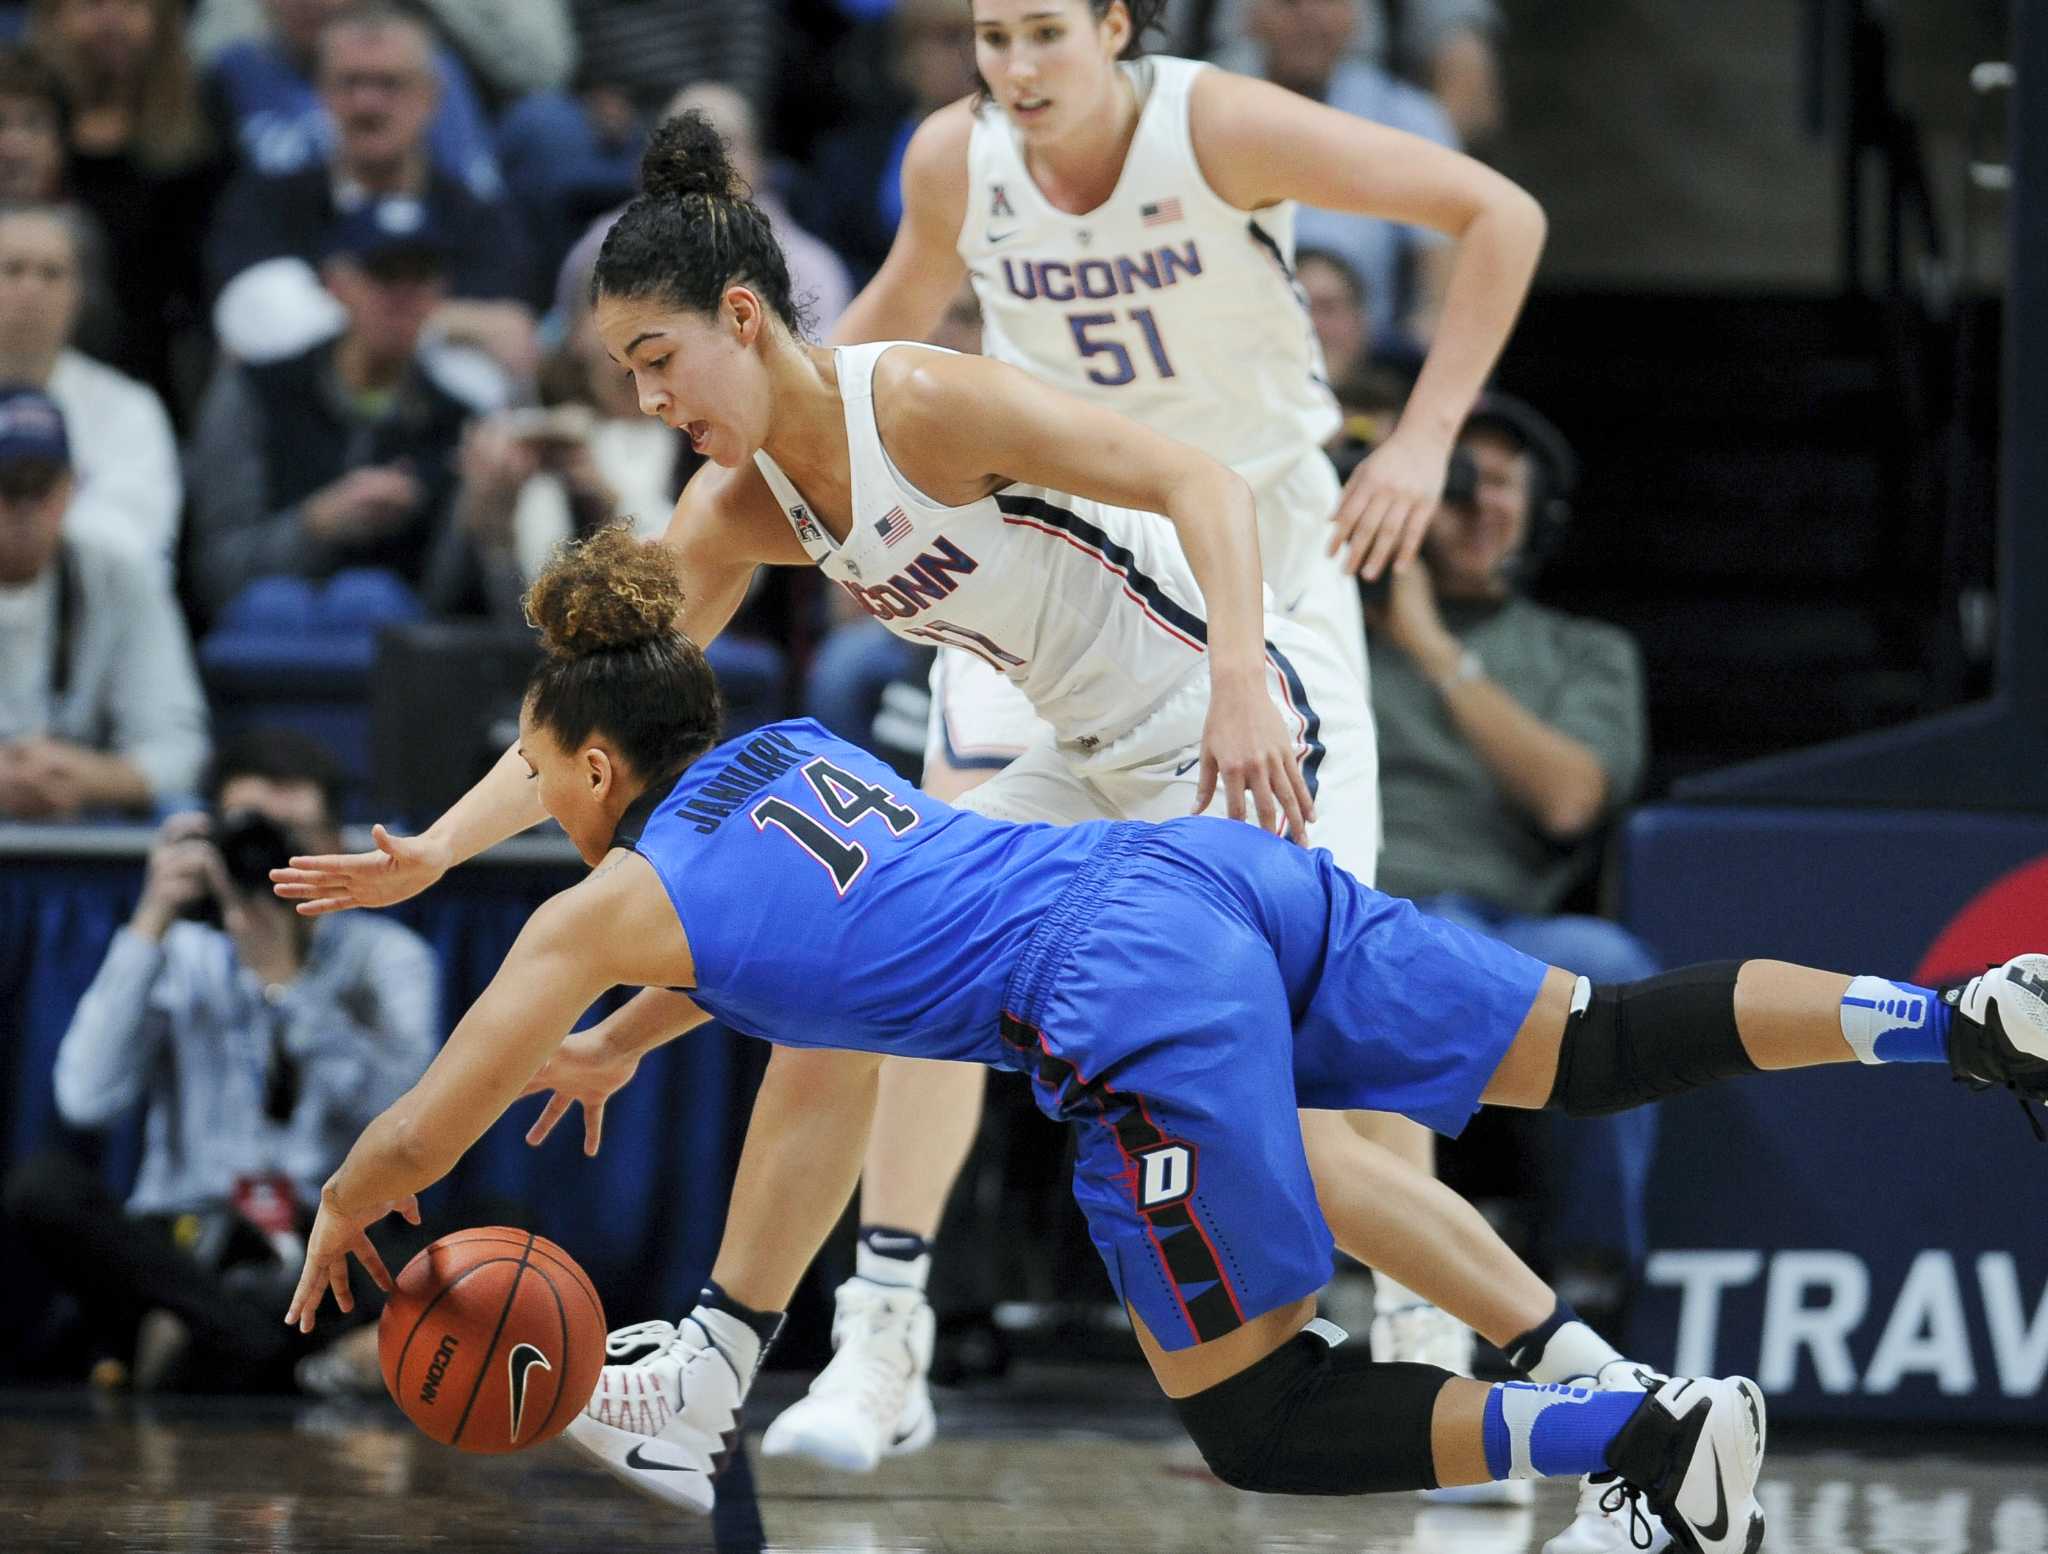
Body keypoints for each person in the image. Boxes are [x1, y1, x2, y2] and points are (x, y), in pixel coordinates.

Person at [281, 521, 2048, 1554]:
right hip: (1200, 874)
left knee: (1260, 1415)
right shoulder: (801, 762)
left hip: (1114, 996)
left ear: (592, 770)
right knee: (1590, 1039)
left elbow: (430, 1132)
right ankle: (1961, 1017)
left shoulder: (592, 904)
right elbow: (833, 938)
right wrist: (642, 1038)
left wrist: (347, 1207)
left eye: (537, 769)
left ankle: (1639, 1448)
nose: (532, 797)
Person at [788, 0, 1543, 1474]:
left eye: (1044, 34)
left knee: (1335, 963)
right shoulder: (955, 155)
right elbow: (874, 335)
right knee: (927, 923)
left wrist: (1426, 433)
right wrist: (748, 407)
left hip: (1254, 550)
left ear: (1116, 27)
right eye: (990, 36)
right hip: (1056, 563)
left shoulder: (1216, 124)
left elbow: (1494, 210)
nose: (1013, 67)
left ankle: (1428, 1336)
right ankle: (882, 1334)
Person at [4, 726, 438, 1392]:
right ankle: (303, 1361)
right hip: (188, 1240)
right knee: (43, 1190)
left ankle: (206, 1340)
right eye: (253, 832)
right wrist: (151, 916)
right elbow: (85, 1098)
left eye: (295, 837)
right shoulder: (181, 950)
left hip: (331, 1239)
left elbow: (414, 1120)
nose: (275, 859)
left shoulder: (386, 957)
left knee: (499, 1230)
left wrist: (287, 987)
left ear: (337, 845)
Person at [184, 198, 503, 624]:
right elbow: (216, 575)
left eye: (421, 275)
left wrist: (480, 515)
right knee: (285, 605)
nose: (403, 295)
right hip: (261, 653)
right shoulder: (256, 394)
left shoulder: (459, 421)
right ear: (337, 284)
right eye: (385, 274)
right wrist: (316, 524)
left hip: (400, 663)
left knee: (372, 600)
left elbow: (446, 606)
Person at [204, 1, 536, 387]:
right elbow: (248, 319)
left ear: (430, 97)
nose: (367, 104)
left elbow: (509, 338)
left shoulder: (477, 217)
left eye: (388, 84)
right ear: (322, 94)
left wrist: (338, 315)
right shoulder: (267, 203)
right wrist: (447, 324)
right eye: (350, 82)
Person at [0, 387, 205, 819]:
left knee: (182, 813)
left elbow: (181, 751)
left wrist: (88, 776)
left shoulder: (119, 577)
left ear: (72, 487)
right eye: (7, 485)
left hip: (86, 822)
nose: (23, 509)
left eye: (39, 487)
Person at [27, 0, 226, 404]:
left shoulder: (201, 142)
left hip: (152, 381)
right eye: (93, 5)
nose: (112, 22)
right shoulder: (19, 138)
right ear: (53, 17)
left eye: (133, 6)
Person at [0, 200, 182, 564]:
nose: (32, 289)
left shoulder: (129, 408)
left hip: (86, 612)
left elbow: (138, 543)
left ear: (78, 294)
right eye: (13, 269)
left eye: (51, 273)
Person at [198, 0, 506, 201]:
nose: (307, 4)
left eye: (386, 84)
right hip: (280, 250)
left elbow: (477, 197)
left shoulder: (420, 64)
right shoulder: (235, 71)